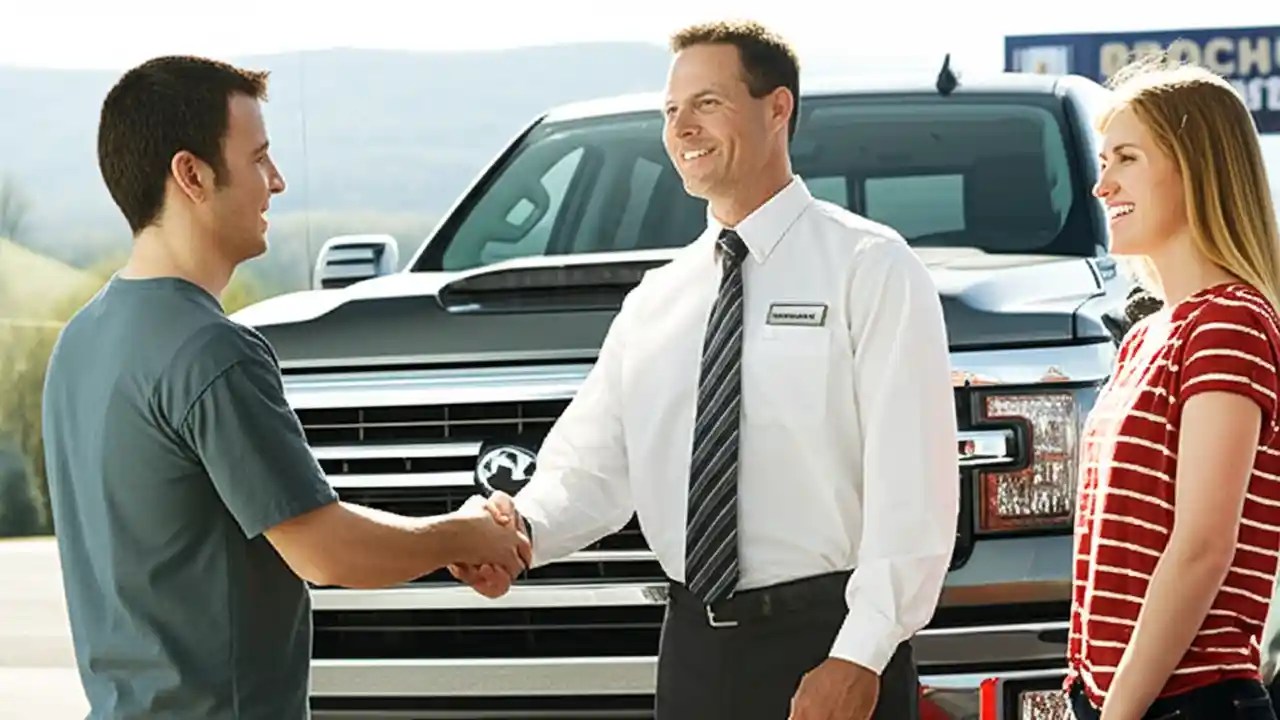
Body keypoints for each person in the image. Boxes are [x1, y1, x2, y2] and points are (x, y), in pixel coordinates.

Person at [450, 20, 959, 720]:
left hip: (827, 641)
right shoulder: (657, 298)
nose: (681, 127)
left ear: (777, 108)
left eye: (708, 103)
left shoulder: (870, 269)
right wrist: (517, 532)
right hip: (692, 648)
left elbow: (915, 487)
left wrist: (859, 655)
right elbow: (594, 466)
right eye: (670, 110)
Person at [41, 55, 530, 720]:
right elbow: (325, 551)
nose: (276, 181)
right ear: (192, 175)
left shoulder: (81, 341)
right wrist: (465, 533)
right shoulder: (213, 352)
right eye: (258, 159)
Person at [1065, 54, 1280, 720]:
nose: (1103, 186)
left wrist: (1119, 711)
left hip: (1190, 703)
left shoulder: (1231, 324)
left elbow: (1201, 549)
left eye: (1126, 158)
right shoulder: (1146, 336)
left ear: (1198, 169)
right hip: (1115, 700)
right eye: (1103, 161)